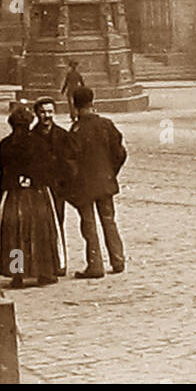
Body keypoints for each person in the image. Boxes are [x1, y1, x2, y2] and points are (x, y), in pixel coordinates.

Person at [0, 103, 65, 288]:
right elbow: (47, 170)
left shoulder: (5, 144)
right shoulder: (38, 143)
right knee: (40, 233)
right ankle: (43, 272)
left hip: (14, 196)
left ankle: (16, 274)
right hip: (37, 195)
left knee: (15, 236)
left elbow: (3, 170)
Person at [68, 85, 127, 278]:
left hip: (84, 185)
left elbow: (71, 161)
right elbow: (120, 153)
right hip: (105, 181)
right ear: (92, 102)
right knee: (109, 220)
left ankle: (95, 266)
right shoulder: (106, 124)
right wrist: (111, 172)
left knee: (89, 224)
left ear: (75, 105)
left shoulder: (76, 130)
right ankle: (118, 260)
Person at [31, 96, 75, 231]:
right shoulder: (31, 136)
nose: (47, 116)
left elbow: (71, 160)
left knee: (58, 222)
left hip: (58, 187)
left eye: (50, 112)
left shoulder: (63, 135)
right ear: (37, 114)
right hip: (39, 187)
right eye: (43, 112)